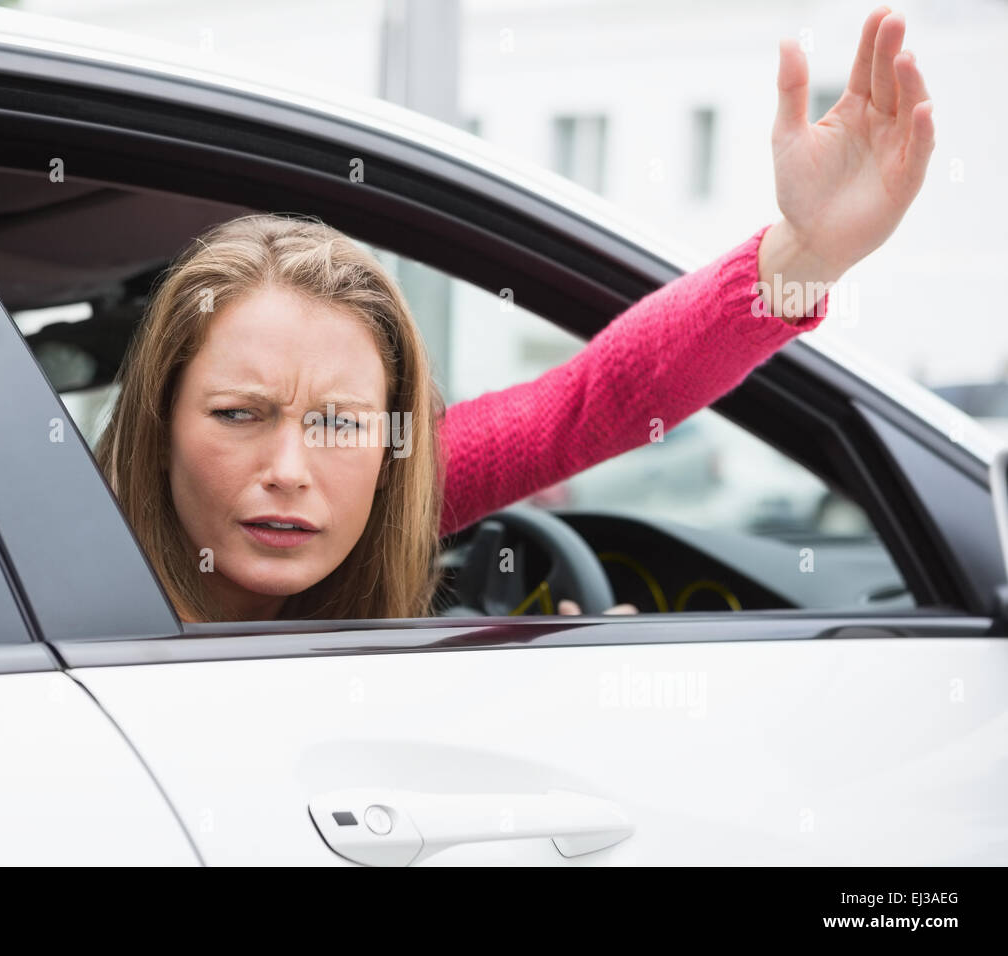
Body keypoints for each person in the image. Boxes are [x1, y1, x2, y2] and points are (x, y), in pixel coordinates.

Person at [95, 6, 934, 624]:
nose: (289, 466)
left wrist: (807, 257)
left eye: (340, 424)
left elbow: (592, 402)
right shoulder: (36, 576)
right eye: (239, 413)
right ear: (157, 419)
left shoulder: (395, 486)